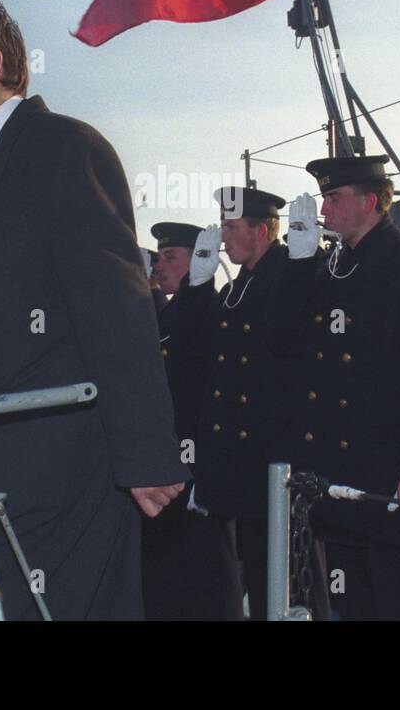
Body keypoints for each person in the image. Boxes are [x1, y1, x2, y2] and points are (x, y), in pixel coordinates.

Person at [0, 0, 187, 620]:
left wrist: (147, 456)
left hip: (65, 471)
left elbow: (116, 310)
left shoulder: (63, 149)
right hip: (0, 465)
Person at [276, 156, 400, 620]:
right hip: (338, 475)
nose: (324, 209)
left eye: (334, 198)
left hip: (393, 475)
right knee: (354, 603)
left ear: (370, 202)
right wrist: (300, 266)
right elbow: (285, 341)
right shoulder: (331, 270)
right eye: (324, 198)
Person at [173, 186, 309, 618]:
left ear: (263, 230)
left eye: (233, 228)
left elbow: (288, 337)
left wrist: (304, 267)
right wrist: (197, 285)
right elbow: (193, 351)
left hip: (277, 461)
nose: (224, 238)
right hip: (241, 467)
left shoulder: (288, 273)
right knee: (258, 579)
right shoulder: (239, 287)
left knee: (287, 586)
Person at [141, 222, 245, 620]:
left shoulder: (211, 310)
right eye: (159, 257)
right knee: (169, 577)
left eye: (170, 257)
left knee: (212, 575)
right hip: (168, 466)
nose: (159, 266)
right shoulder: (167, 313)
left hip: (202, 464)